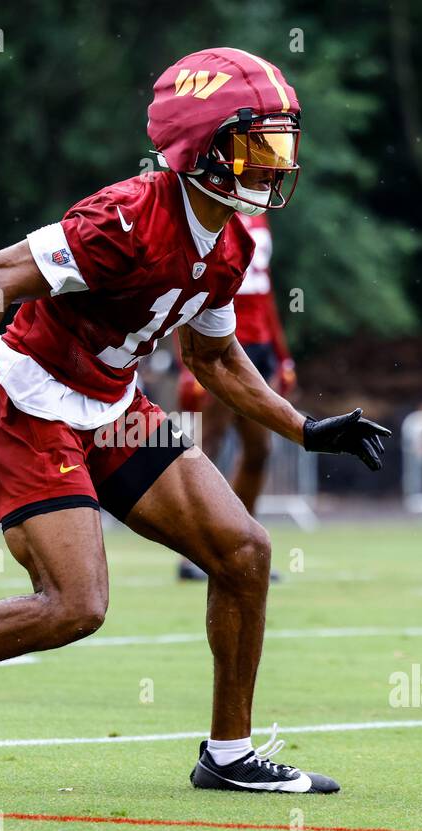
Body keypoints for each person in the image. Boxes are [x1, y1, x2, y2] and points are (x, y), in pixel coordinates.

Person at [0, 48, 389, 794]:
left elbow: (213, 358)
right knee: (75, 604)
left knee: (244, 551)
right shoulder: (126, 216)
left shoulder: (231, 242)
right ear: (204, 147)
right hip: (31, 401)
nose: (276, 161)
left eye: (283, 142)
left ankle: (229, 752)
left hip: (114, 404)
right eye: (259, 143)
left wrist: (302, 428)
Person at [175, 209, 295, 581]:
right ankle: (198, 552)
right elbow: (187, 285)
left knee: (259, 451)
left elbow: (265, 289)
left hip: (257, 344)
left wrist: (281, 352)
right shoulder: (209, 208)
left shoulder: (260, 214)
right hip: (222, 342)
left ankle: (240, 547)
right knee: (207, 446)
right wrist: (188, 363)